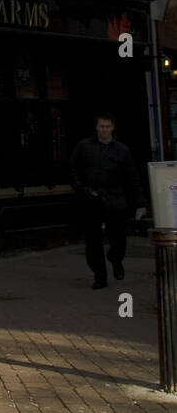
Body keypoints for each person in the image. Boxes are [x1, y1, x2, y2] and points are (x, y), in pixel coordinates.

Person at [68, 113, 144, 289]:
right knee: (92, 240)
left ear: (113, 127)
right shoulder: (84, 146)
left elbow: (133, 177)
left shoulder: (122, 150)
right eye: (101, 126)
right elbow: (72, 168)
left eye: (107, 126)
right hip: (92, 197)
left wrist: (141, 202)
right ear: (96, 128)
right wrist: (80, 187)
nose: (104, 130)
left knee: (118, 238)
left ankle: (116, 259)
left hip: (115, 198)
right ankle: (99, 276)